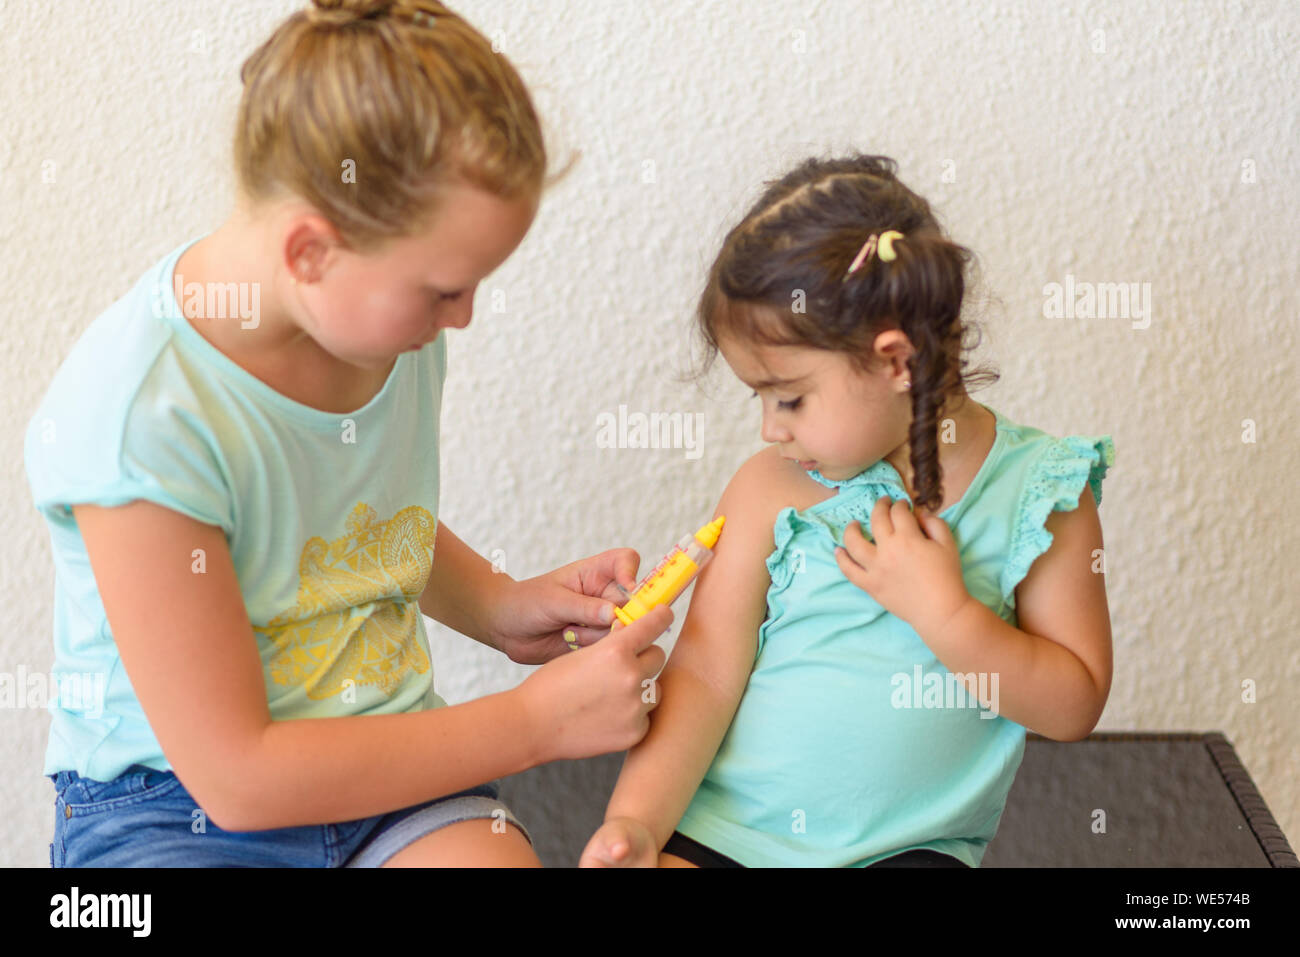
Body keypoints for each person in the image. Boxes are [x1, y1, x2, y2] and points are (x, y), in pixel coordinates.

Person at [24, 0, 673, 868]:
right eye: (444, 289)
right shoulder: (143, 417)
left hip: (386, 766)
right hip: (171, 804)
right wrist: (533, 723)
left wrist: (499, 602)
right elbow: (239, 776)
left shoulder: (388, 328)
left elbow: (345, 522)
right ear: (310, 252)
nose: (466, 316)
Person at [579, 153, 1116, 868]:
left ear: (898, 362)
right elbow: (706, 673)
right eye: (759, 398)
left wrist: (945, 614)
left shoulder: (1042, 493)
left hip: (909, 852)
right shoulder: (768, 488)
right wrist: (637, 824)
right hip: (726, 838)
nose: (772, 428)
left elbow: (1073, 705)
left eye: (789, 397)